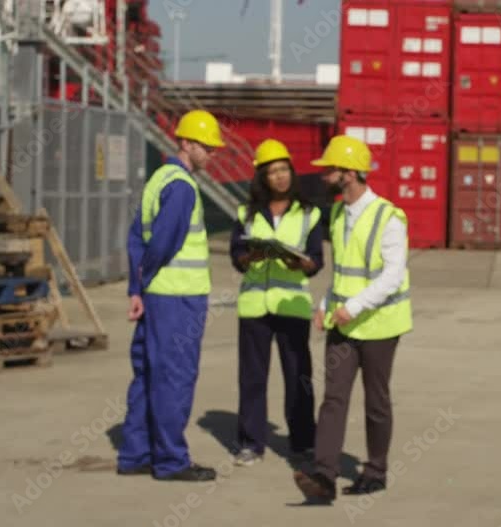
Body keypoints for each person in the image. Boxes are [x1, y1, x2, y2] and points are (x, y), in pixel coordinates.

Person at [293, 135, 413, 503]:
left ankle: (376, 472)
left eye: (330, 170)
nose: (325, 176)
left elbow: (392, 275)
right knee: (333, 398)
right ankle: (324, 478)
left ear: (350, 173)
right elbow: (343, 271)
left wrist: (354, 306)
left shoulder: (388, 218)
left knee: (376, 401)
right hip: (343, 324)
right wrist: (325, 304)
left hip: (379, 325)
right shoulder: (340, 214)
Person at [117, 109, 223, 482]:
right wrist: (144, 284)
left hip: (157, 296)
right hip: (178, 299)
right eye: (206, 147)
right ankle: (171, 461)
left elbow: (135, 238)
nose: (211, 154)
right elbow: (163, 242)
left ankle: (135, 453)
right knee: (174, 378)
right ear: (186, 143)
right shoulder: (182, 187)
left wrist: (136, 288)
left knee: (147, 374)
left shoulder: (158, 180)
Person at [229, 139, 324, 466]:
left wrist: (305, 264)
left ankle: (303, 442)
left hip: (292, 304)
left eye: (284, 170)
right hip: (255, 307)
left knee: (299, 376)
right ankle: (250, 443)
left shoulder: (309, 212)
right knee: (252, 378)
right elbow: (236, 256)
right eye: (273, 172)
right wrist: (250, 255)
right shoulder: (246, 213)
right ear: (262, 178)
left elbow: (316, 259)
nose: (280, 177)